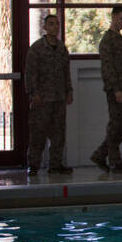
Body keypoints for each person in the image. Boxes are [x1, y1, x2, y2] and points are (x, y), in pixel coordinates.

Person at [24, 13, 73, 175]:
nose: (55, 27)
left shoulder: (61, 48)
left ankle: (55, 164)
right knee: (38, 133)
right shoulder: (37, 48)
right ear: (45, 27)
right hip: (42, 99)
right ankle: (33, 165)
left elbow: (66, 72)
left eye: (57, 24)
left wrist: (69, 91)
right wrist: (34, 93)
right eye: (51, 24)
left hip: (59, 97)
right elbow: (30, 73)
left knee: (59, 133)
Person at [91, 6, 122, 173]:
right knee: (116, 126)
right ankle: (116, 162)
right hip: (116, 90)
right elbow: (108, 68)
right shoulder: (107, 41)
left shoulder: (121, 40)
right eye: (121, 18)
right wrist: (115, 89)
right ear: (113, 17)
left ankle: (100, 154)